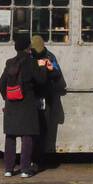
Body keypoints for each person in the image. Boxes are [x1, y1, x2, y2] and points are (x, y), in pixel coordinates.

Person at [0, 33, 47, 179]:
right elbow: (41, 80)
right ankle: (25, 169)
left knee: (10, 137)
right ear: (28, 47)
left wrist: (7, 98)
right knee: (27, 137)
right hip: (27, 105)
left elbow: (1, 83)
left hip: (11, 104)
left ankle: (8, 169)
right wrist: (43, 67)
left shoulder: (9, 62)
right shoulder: (31, 62)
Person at [31, 34, 67, 163]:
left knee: (44, 128)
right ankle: (34, 157)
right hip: (34, 97)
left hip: (45, 97)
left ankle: (39, 157)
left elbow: (58, 75)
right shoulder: (30, 56)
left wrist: (50, 68)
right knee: (34, 129)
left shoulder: (50, 56)